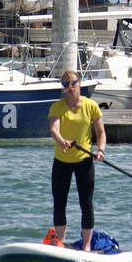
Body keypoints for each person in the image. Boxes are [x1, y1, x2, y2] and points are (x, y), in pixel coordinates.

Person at [47, 69, 105, 250]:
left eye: (73, 83)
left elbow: (101, 133)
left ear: (79, 84)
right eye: (65, 84)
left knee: (86, 204)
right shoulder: (57, 107)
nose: (70, 87)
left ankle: (87, 246)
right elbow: (54, 130)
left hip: (84, 161)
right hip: (61, 161)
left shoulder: (91, 106)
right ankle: (60, 244)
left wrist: (100, 150)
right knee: (59, 203)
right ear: (63, 88)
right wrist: (62, 141)